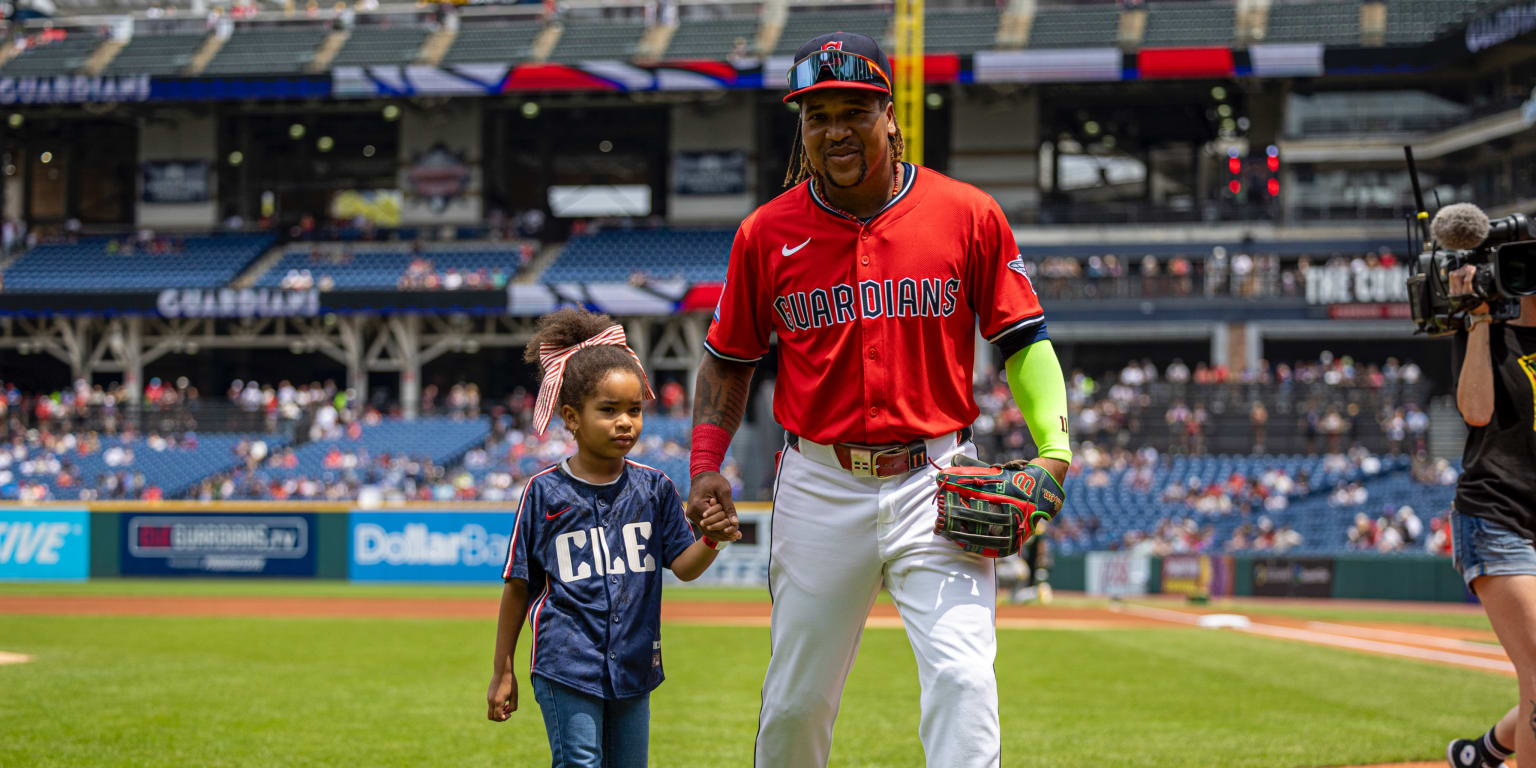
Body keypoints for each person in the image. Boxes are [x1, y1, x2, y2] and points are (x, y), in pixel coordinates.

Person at [684, 32, 1072, 767]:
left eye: (853, 111)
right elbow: (728, 362)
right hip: (820, 483)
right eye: (816, 114)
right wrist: (706, 463)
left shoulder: (967, 213)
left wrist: (1054, 447)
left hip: (939, 481)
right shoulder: (765, 234)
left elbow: (1023, 340)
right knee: (796, 701)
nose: (834, 130)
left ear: (890, 116)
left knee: (963, 678)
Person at [485, 308, 738, 767]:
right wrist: (503, 669)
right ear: (571, 417)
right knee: (580, 763)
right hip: (566, 664)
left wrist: (712, 539)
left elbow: (682, 566)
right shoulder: (543, 492)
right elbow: (518, 585)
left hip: (635, 664)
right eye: (608, 410)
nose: (625, 421)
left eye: (635, 410)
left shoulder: (655, 487)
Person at [1443, 264, 1536, 768]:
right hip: (1497, 510)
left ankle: (1484, 753)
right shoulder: (1490, 332)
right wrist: (1477, 319)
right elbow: (1475, 412)